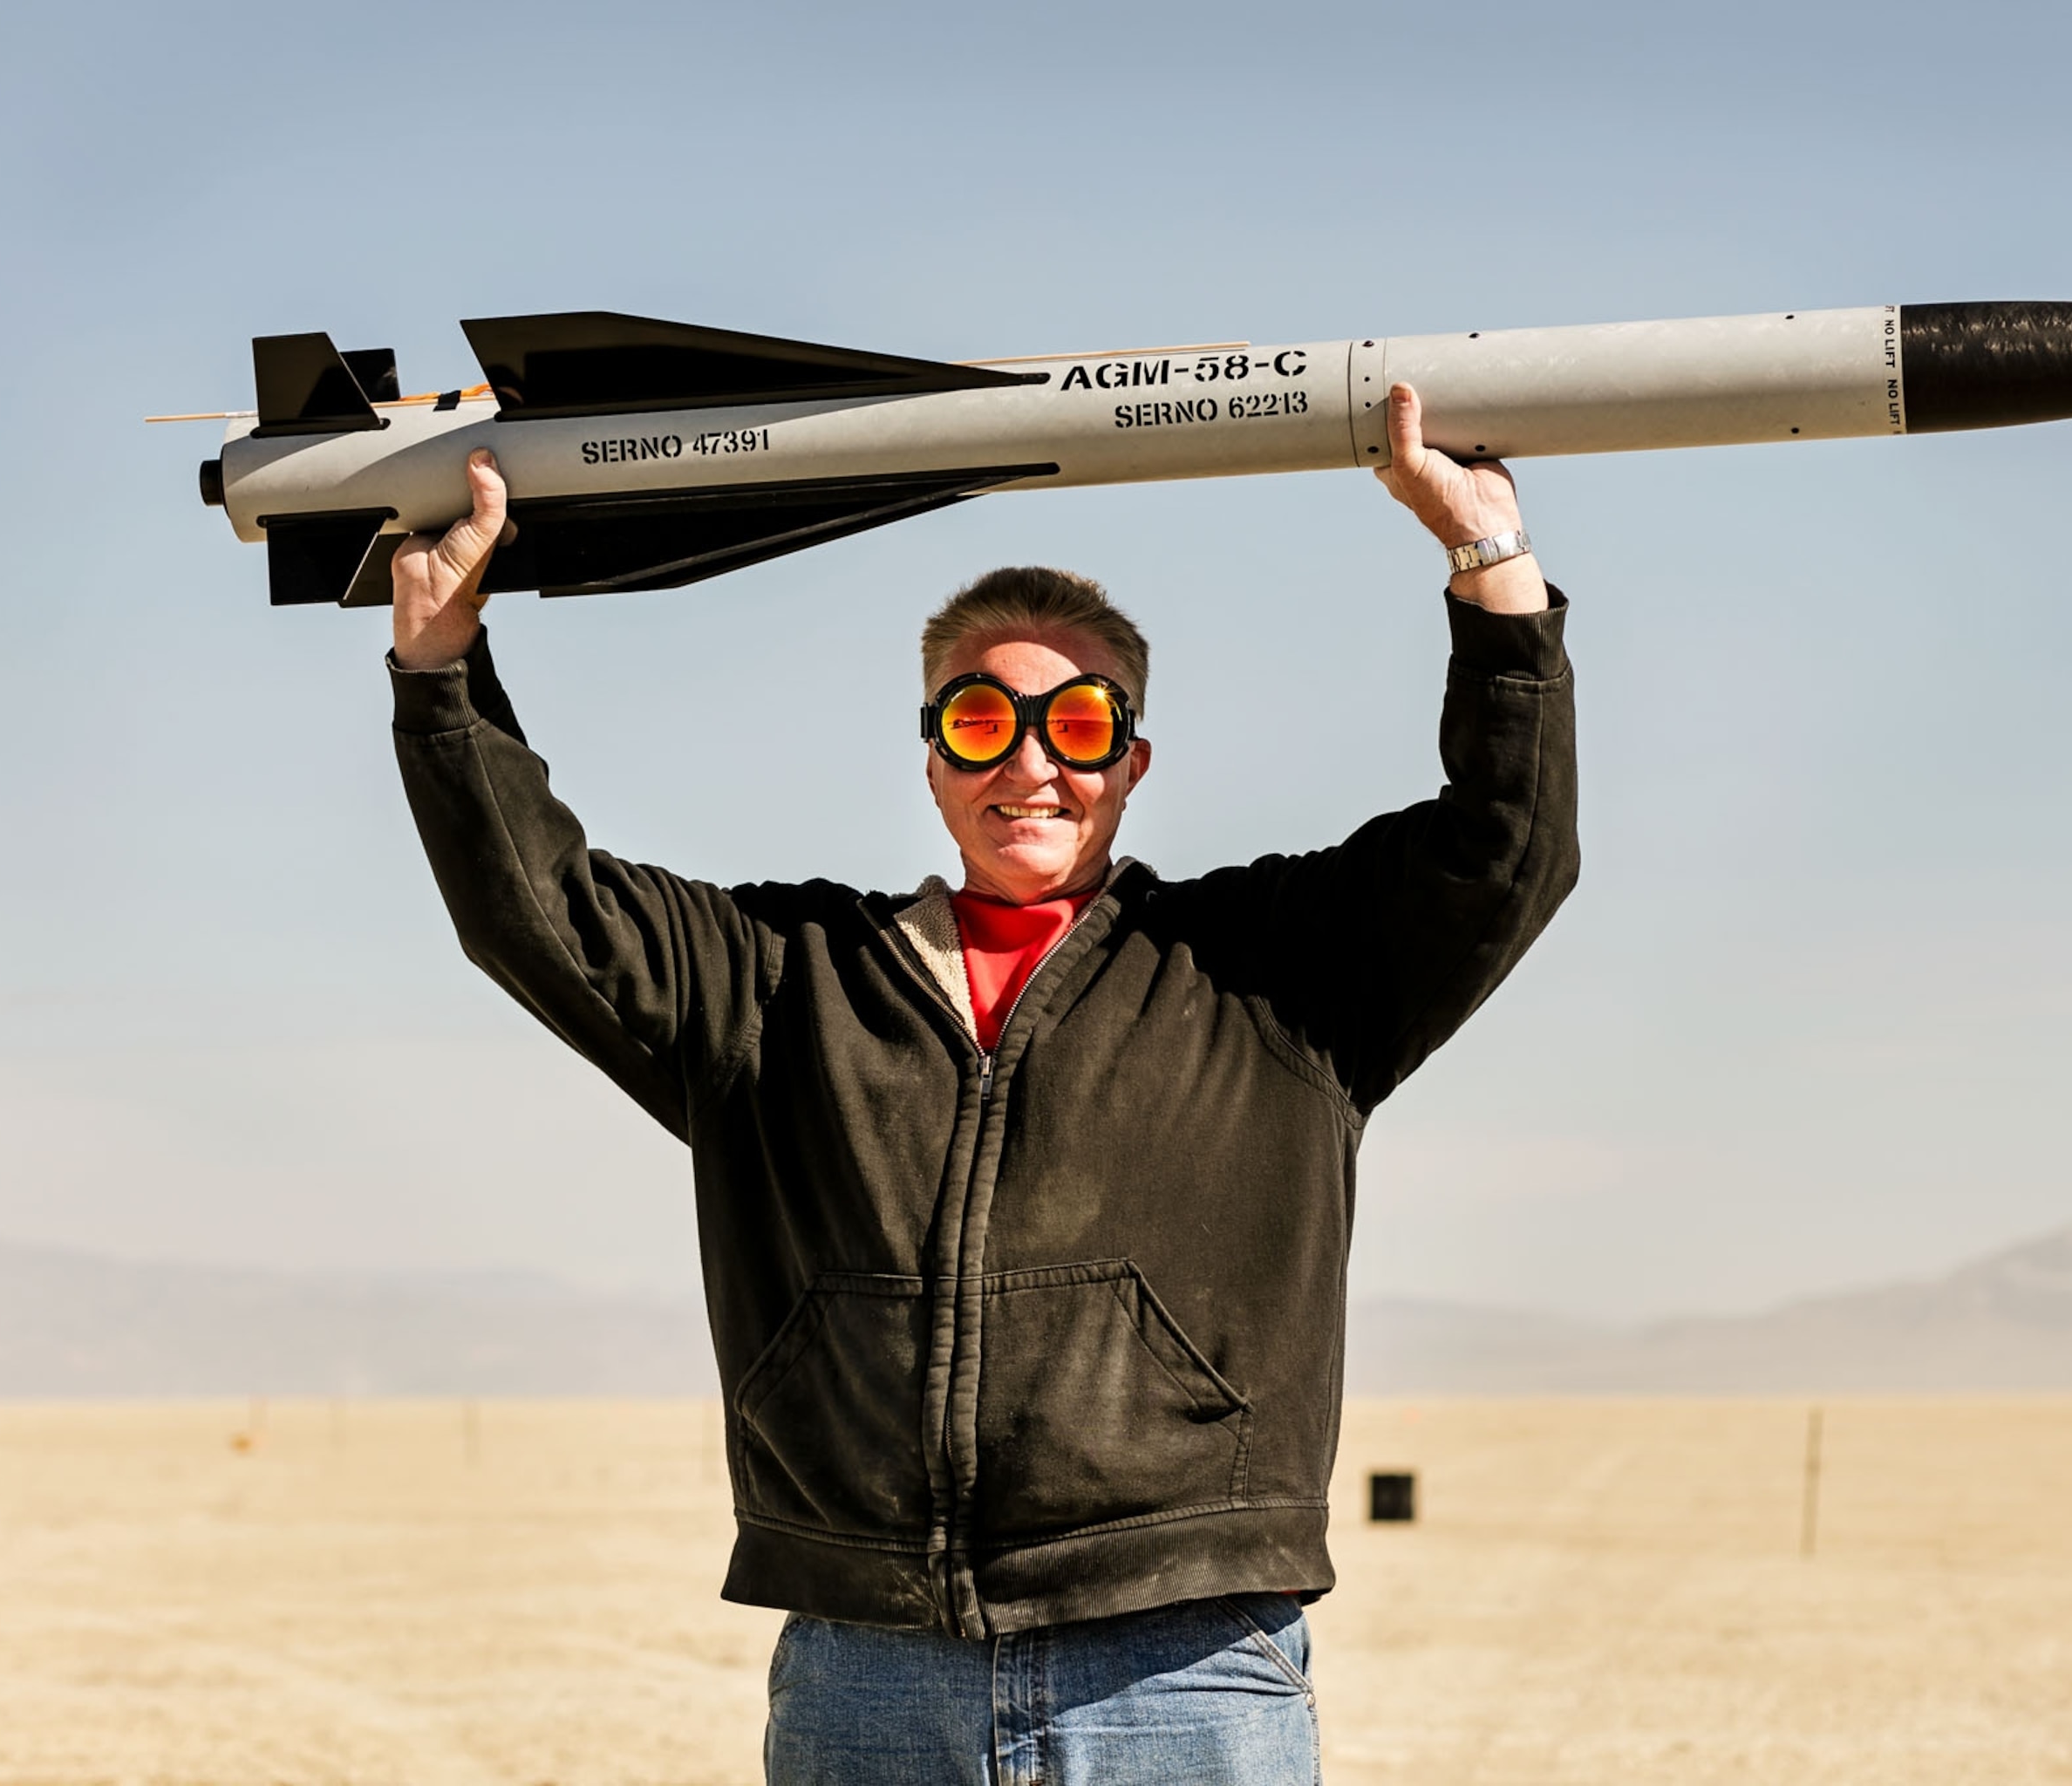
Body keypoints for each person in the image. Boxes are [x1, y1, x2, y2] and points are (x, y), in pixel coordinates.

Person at [385, 382, 1578, 1783]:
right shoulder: (780, 982)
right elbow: (540, 913)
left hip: (1181, 1666)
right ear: (933, 751)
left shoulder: (1273, 979)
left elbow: (1504, 853)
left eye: (1076, 729)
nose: (1029, 766)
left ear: (1129, 761)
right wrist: (443, 661)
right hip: (867, 1666)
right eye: (980, 724)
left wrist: (1492, 566)